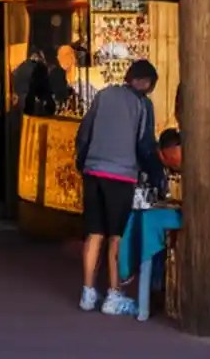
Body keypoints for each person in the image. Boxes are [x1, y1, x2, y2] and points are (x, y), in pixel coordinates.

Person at [75, 59, 163, 316]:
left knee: (94, 233)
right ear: (146, 82)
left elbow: (84, 132)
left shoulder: (102, 95)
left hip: (93, 172)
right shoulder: (143, 104)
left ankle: (88, 293)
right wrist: (155, 174)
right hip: (121, 176)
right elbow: (144, 144)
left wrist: (83, 162)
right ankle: (114, 295)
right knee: (116, 236)